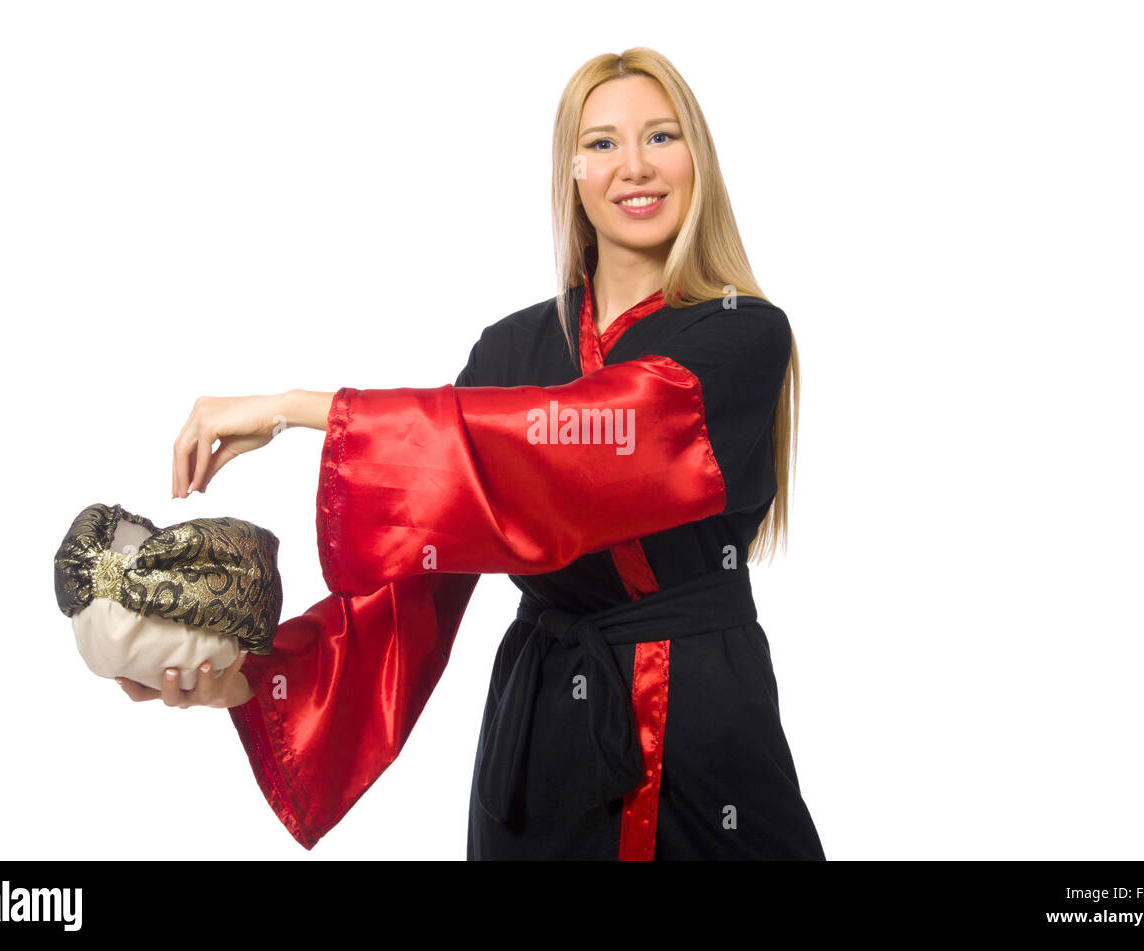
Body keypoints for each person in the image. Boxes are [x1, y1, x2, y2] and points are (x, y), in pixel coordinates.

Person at [120, 47, 826, 861]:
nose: (635, 166)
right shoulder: (511, 348)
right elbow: (415, 585)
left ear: (697, 156)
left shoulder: (741, 333)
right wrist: (242, 675)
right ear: (570, 171)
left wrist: (300, 410)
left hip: (704, 728)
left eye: (662, 137)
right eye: (601, 143)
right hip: (542, 742)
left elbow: (590, 440)